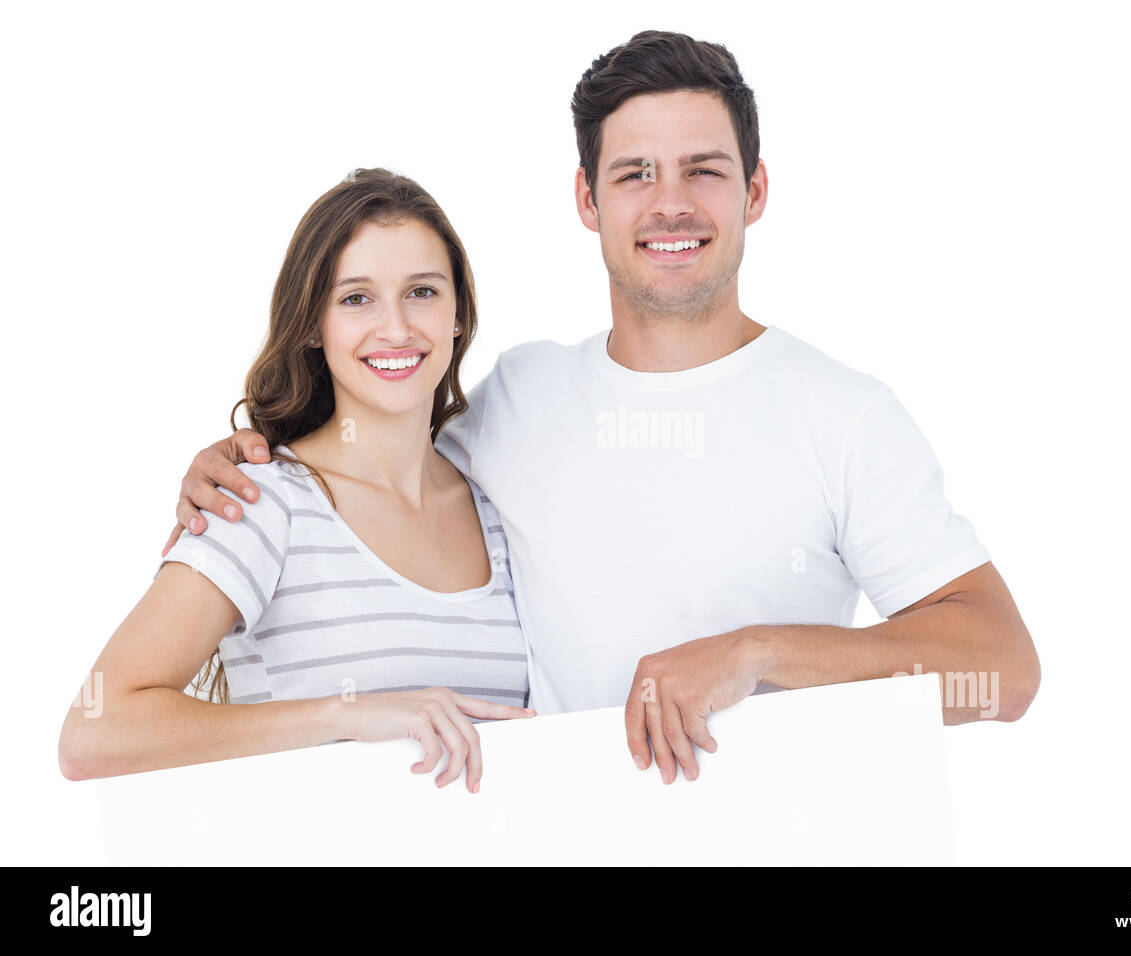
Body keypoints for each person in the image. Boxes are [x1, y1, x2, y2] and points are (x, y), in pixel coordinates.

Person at [165, 31, 1041, 786]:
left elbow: (1002, 667)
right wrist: (251, 456)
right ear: (588, 200)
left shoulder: (844, 416)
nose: (670, 202)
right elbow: (378, 450)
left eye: (705, 169)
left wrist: (756, 652)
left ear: (756, 192)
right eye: (635, 174)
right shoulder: (517, 397)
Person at [60, 169, 534, 789]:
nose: (395, 328)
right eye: (356, 298)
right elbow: (95, 732)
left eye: (422, 291)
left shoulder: (498, 508)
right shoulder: (261, 500)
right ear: (313, 325)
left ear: (458, 315)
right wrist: (349, 715)